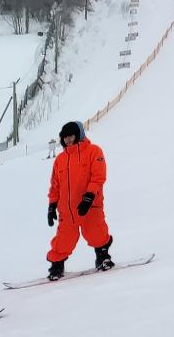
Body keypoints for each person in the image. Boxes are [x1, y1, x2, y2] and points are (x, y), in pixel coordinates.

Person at [45, 120, 113, 280]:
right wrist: (51, 205)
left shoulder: (94, 151)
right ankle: (56, 266)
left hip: (90, 205)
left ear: (79, 135)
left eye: (71, 136)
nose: (68, 140)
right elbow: (55, 185)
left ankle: (103, 257)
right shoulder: (60, 159)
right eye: (65, 137)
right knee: (63, 240)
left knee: (96, 232)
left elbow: (98, 177)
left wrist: (89, 196)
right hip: (67, 210)